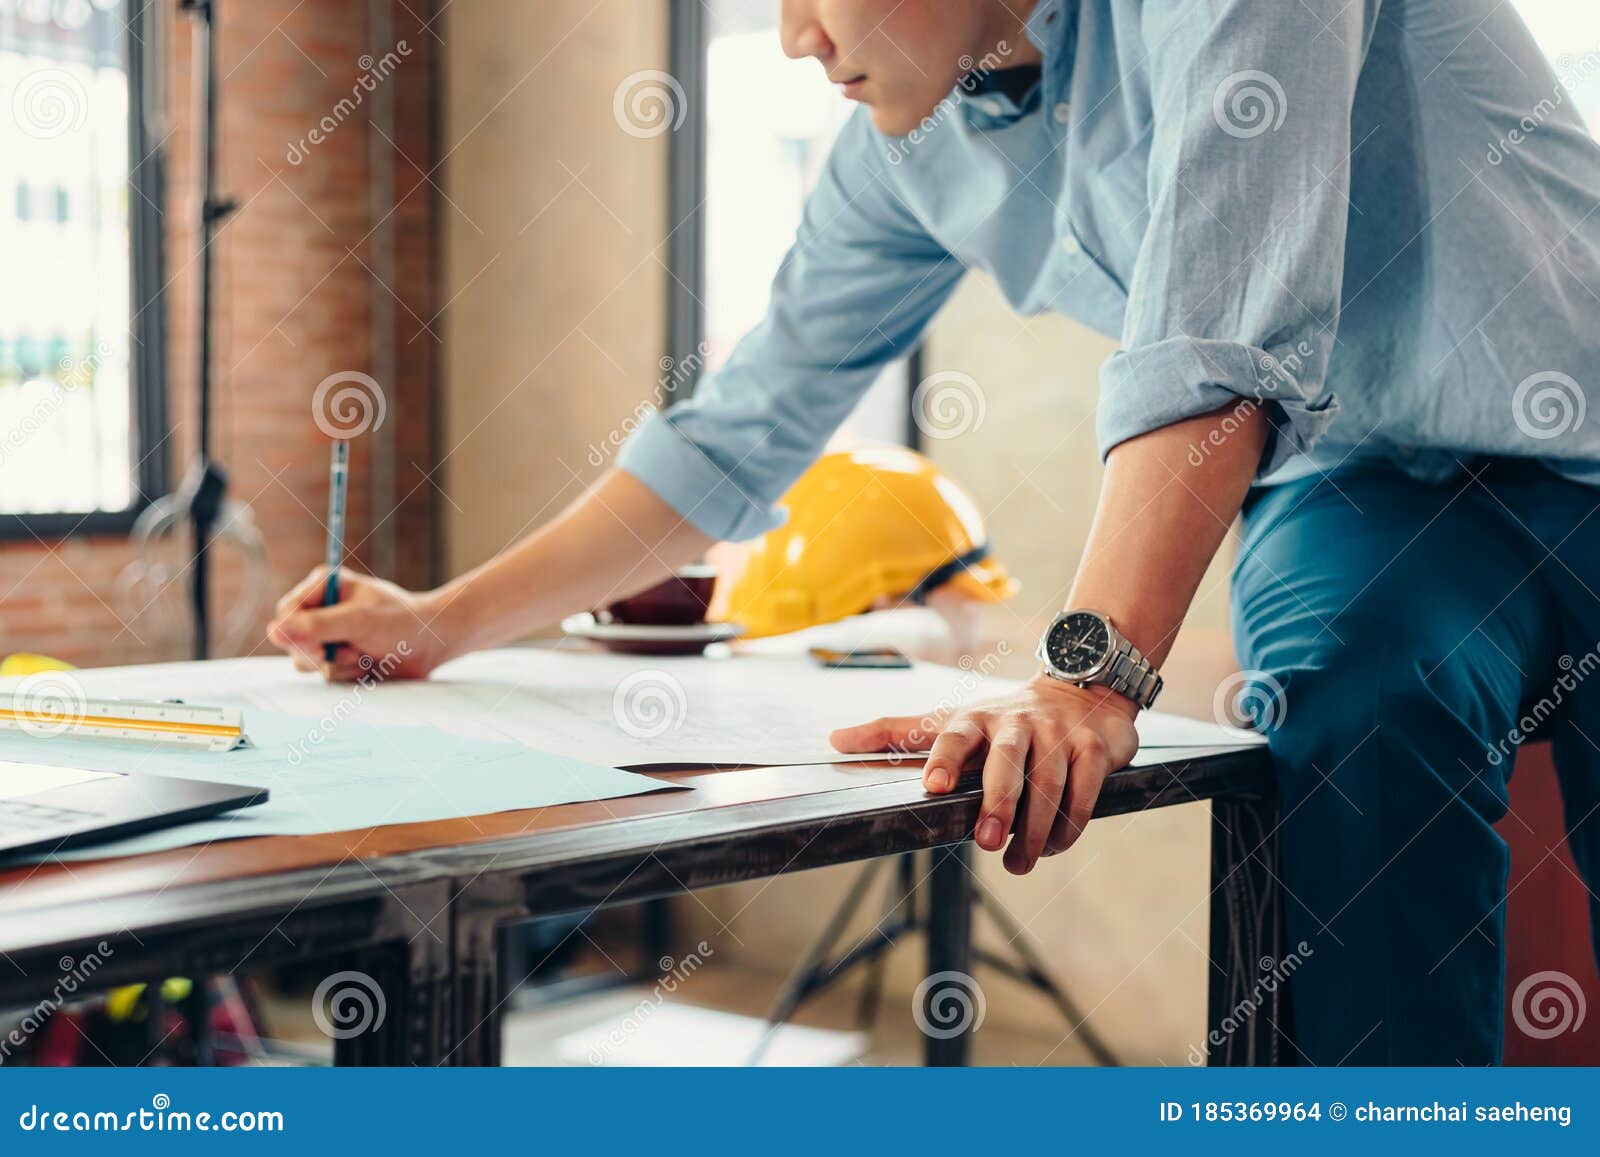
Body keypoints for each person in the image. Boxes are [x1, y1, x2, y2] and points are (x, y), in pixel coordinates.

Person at [269, 0, 1600, 1064]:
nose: (793, 34)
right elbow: (731, 434)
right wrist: (437, 621)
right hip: (1367, 490)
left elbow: (1221, 333)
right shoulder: (905, 149)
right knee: (1345, 709)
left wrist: (1089, 676)